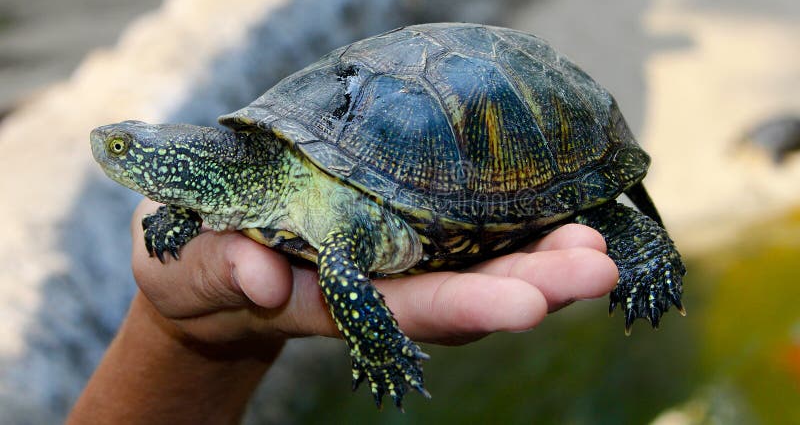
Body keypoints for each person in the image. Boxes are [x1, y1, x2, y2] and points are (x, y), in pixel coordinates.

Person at [67, 199, 618, 424]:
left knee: (337, 263)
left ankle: (630, 233)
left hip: (448, 185)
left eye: (125, 150)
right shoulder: (239, 196)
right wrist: (177, 323)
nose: (112, 151)